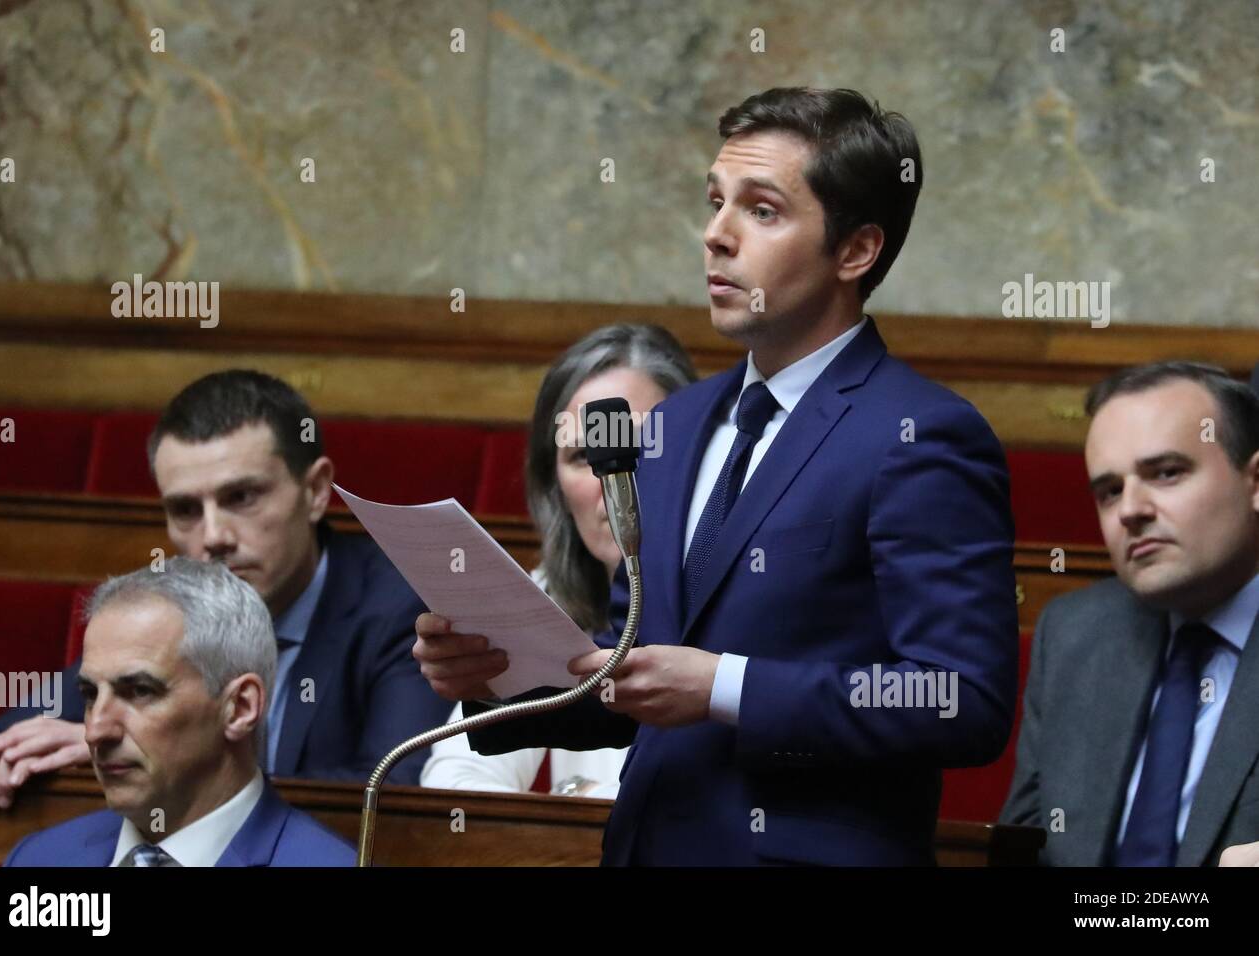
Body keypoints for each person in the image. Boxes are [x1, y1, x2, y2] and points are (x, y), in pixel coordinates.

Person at [414, 87, 1019, 865]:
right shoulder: (674, 425)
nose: (715, 236)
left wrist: (727, 688)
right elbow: (638, 664)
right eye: (714, 202)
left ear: (855, 251)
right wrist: (498, 680)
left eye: (761, 211)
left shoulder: (920, 434)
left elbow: (957, 698)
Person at [0, 370, 452, 806]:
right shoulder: (166, 613)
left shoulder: (402, 609)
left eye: (241, 497)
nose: (214, 536)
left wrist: (162, 768)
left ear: (316, 491)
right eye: (186, 510)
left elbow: (390, 794)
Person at [420, 324, 697, 797]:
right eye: (584, 455)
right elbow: (452, 785)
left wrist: (582, 797)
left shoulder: (735, 591)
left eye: (639, 448)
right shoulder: (546, 591)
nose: (614, 481)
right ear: (555, 488)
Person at [1001, 362, 1259, 866]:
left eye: (1166, 473)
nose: (1130, 510)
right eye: (1109, 490)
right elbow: (1025, 846)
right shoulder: (1076, 633)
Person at [6, 558, 354, 866]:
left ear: (240, 708)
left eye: (140, 691)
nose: (96, 730)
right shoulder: (39, 858)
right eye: (89, 694)